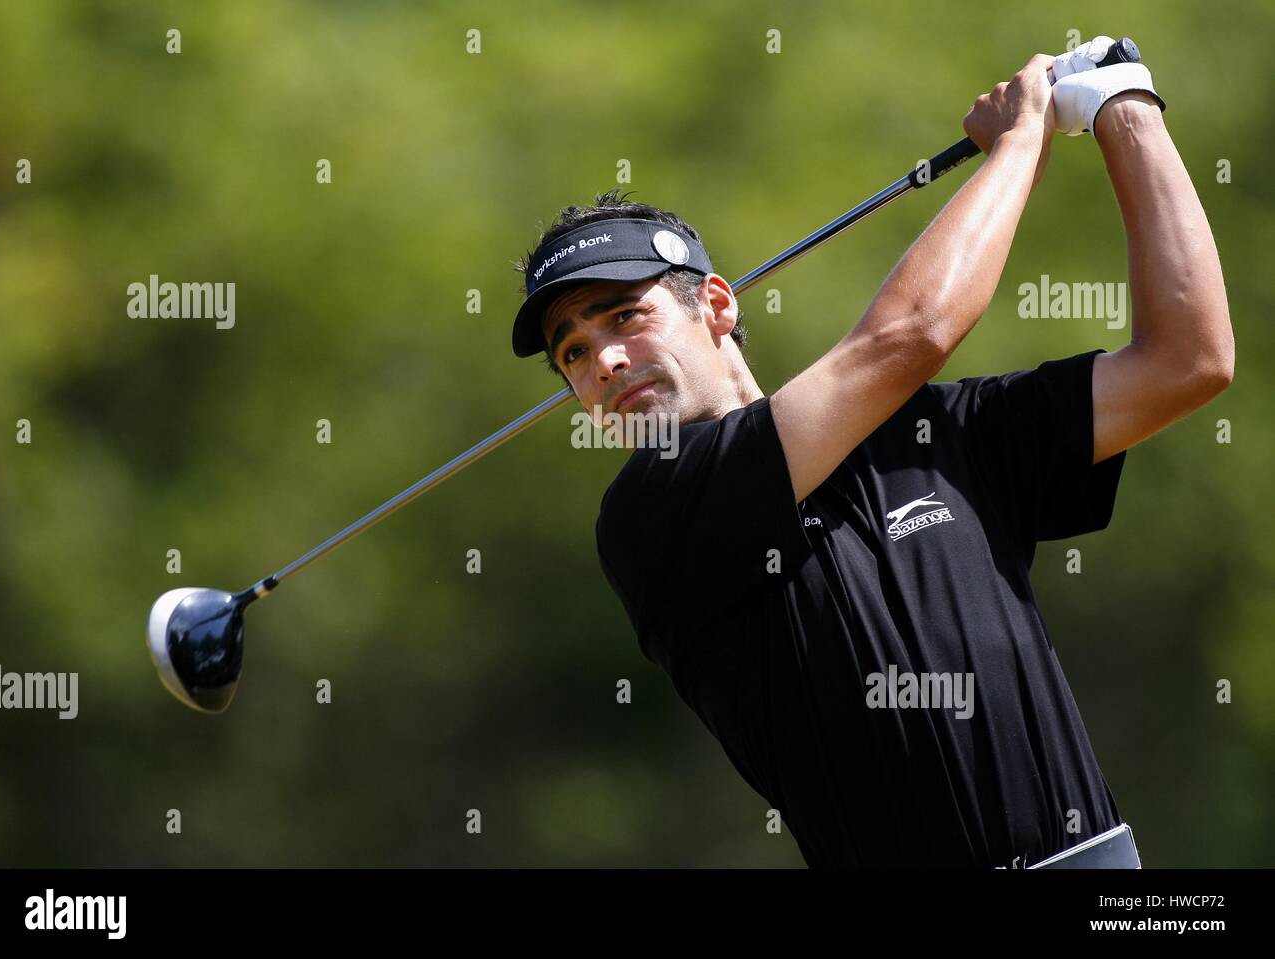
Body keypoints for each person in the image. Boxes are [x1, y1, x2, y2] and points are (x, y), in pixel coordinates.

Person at [508, 47, 1232, 867]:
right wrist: (1020, 140)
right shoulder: (650, 514)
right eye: (571, 352)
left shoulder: (941, 433)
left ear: (714, 304)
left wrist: (1123, 107)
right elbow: (912, 334)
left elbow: (1188, 360)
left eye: (622, 317)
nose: (598, 362)